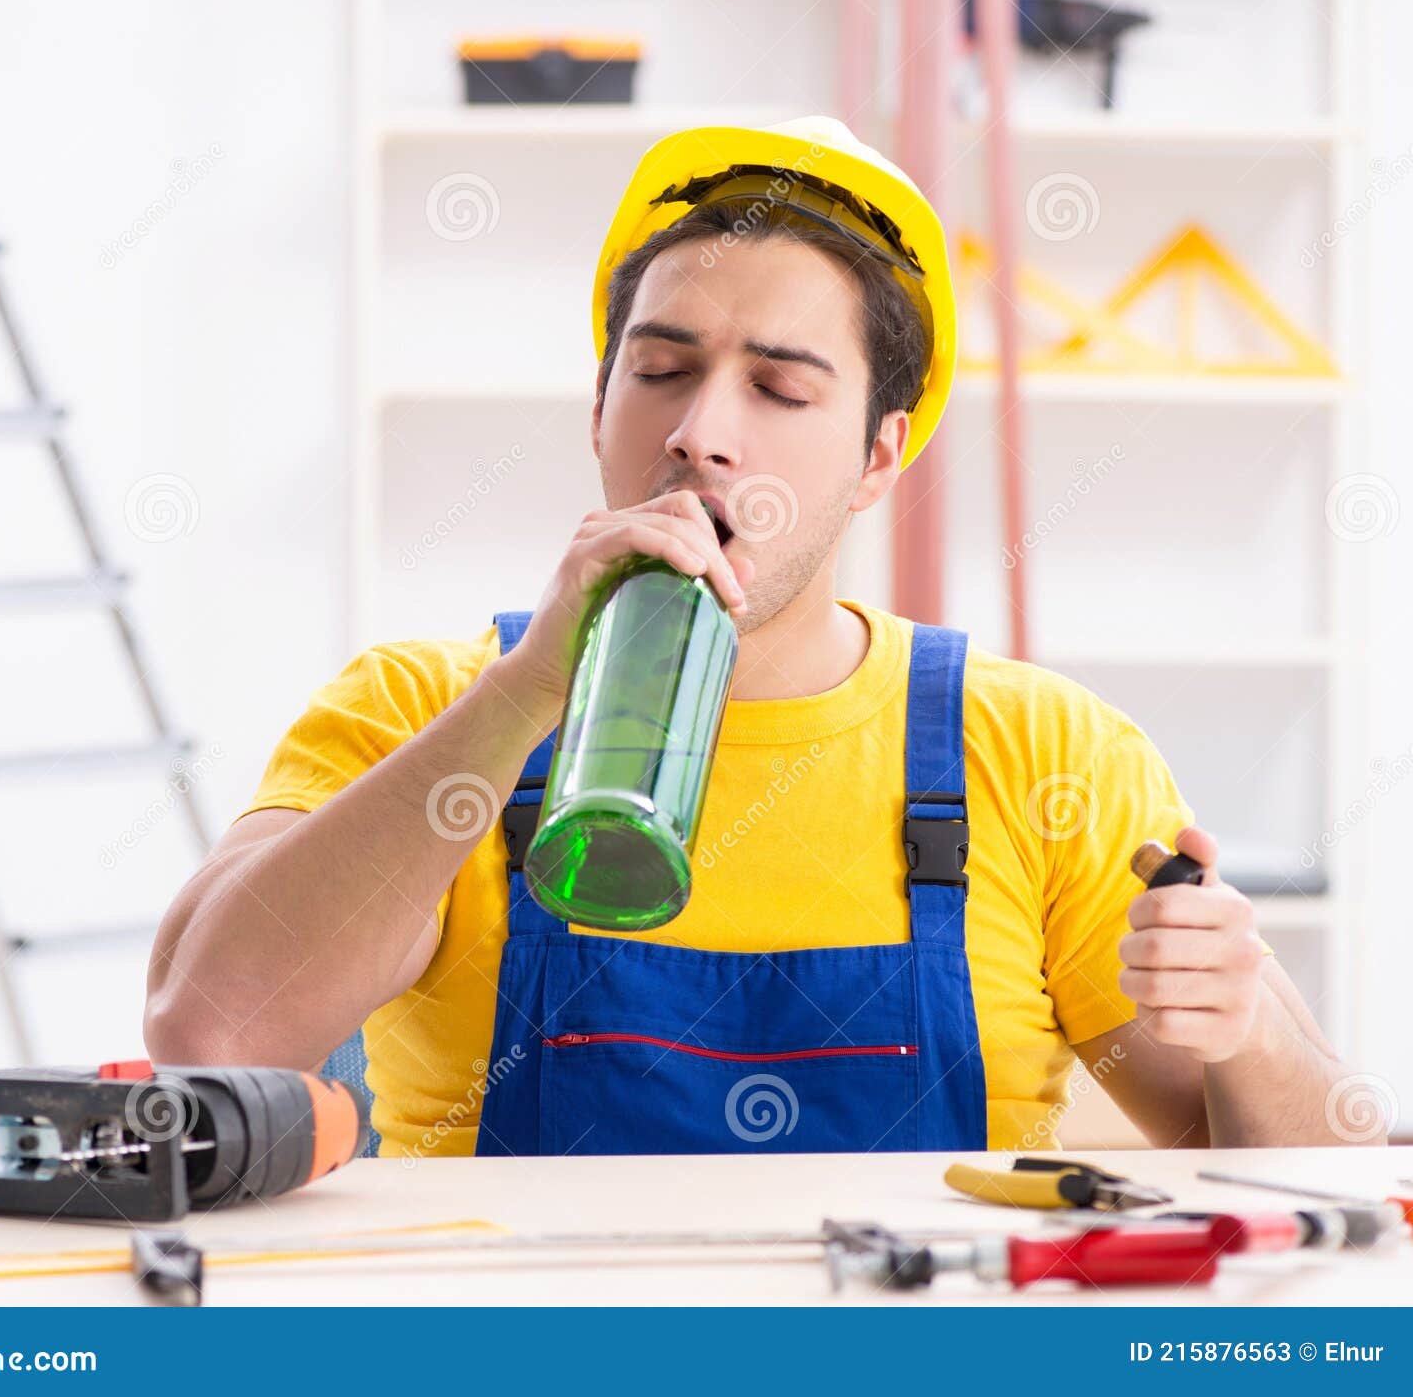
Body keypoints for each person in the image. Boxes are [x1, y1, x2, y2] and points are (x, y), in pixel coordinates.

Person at [145, 117, 1368, 1157]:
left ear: (879, 455)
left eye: (781, 390)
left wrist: (1242, 1018)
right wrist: (526, 694)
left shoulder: (1041, 749)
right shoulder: (419, 704)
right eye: (662, 369)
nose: (700, 431)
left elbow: (1340, 1194)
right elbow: (214, 1032)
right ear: (599, 409)